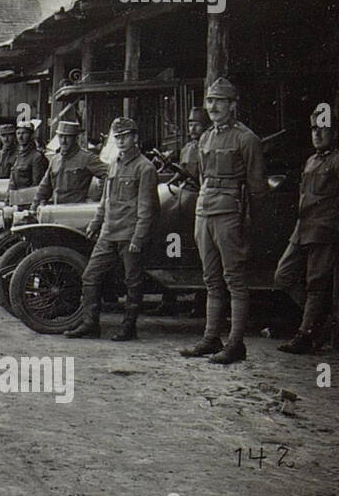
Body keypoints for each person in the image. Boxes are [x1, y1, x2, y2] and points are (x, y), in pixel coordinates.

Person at [178, 77, 266, 365]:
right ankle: (210, 337)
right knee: (211, 279)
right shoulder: (205, 137)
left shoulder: (246, 139)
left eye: (219, 101)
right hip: (204, 210)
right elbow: (203, 177)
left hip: (230, 213)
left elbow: (257, 188)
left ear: (232, 105)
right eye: (210, 100)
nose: (213, 106)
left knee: (234, 280)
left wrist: (248, 223)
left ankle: (236, 343)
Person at [274, 105, 339, 354]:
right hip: (302, 230)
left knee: (315, 283)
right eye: (314, 129)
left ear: (333, 132)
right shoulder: (311, 161)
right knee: (283, 276)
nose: (317, 135)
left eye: (323, 129)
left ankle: (306, 334)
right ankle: (319, 319)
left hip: (324, 231)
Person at [66, 117, 159, 342]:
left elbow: (147, 209)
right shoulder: (114, 164)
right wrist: (96, 223)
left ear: (135, 138)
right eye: (117, 137)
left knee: (132, 282)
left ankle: (129, 328)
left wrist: (138, 237)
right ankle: (90, 323)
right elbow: (105, 201)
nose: (121, 141)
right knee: (90, 276)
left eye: (125, 136)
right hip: (109, 232)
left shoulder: (145, 168)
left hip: (129, 235)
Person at [34, 120, 108, 206]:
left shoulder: (87, 158)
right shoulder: (55, 159)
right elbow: (45, 187)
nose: (63, 141)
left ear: (76, 138)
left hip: (76, 211)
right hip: (57, 209)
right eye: (61, 136)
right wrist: (35, 206)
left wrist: (96, 198)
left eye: (68, 137)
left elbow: (108, 174)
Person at [9, 123, 49, 191]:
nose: (20, 137)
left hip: (28, 196)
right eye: (18, 133)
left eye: (24, 133)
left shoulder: (37, 157)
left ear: (31, 135)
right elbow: (12, 179)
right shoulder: (18, 155)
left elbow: (36, 184)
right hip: (15, 196)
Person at [180, 106, 210, 178]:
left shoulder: (210, 146)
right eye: (190, 125)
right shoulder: (186, 148)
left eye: (197, 125)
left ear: (205, 127)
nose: (192, 129)